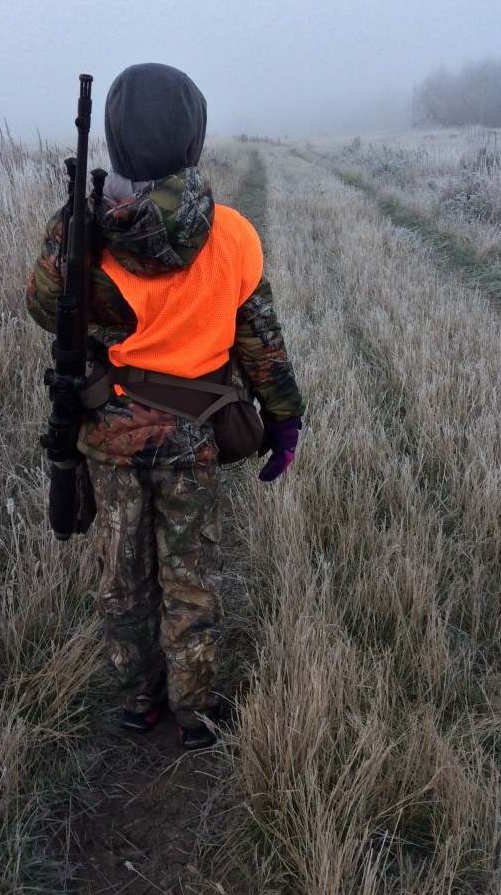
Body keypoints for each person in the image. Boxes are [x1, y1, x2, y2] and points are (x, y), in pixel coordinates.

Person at [27, 63, 304, 750]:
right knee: (193, 575)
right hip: (196, 441)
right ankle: (197, 710)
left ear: (114, 143)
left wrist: (73, 235)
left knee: (122, 577)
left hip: (111, 440)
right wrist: (284, 418)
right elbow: (259, 339)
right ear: (195, 141)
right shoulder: (234, 234)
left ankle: (136, 701)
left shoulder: (87, 230)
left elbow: (43, 308)